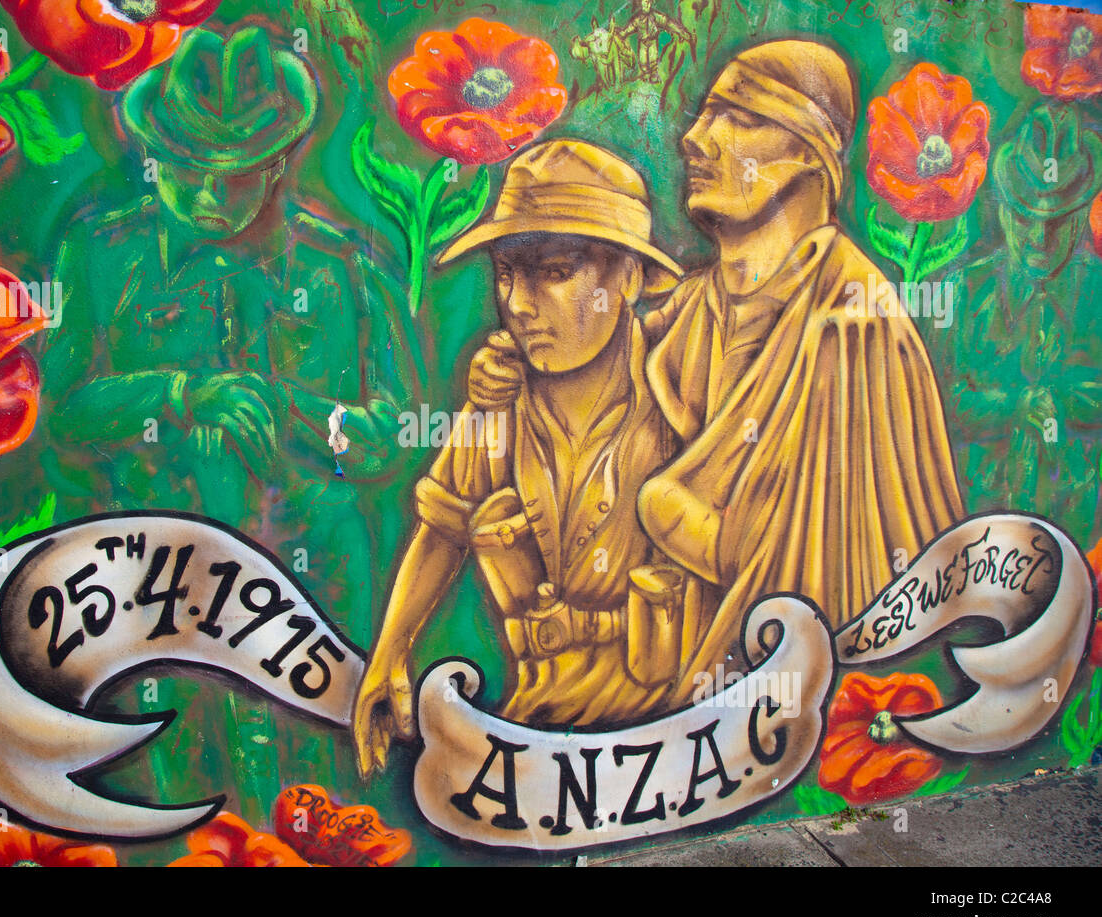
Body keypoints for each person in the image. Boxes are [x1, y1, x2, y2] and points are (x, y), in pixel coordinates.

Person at [469, 40, 967, 710]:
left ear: (808, 151)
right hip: (656, 713)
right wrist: (506, 378)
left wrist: (685, 520)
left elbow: (847, 576)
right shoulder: (686, 315)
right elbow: (598, 367)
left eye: (740, 118)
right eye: (706, 115)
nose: (696, 139)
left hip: (778, 712)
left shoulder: (853, 326)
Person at [351, 141, 683, 776]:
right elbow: (443, 524)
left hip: (670, 732)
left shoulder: (679, 394)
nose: (520, 304)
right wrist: (389, 653)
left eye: (555, 272)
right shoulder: (500, 397)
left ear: (630, 277)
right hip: (536, 731)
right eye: (506, 274)